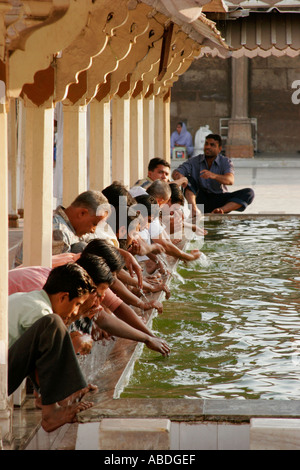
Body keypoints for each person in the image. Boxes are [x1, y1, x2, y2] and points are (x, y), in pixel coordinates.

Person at [8, 263, 97, 432]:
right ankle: (51, 414)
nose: (75, 312)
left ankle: (59, 400)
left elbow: (38, 359)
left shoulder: (28, 299)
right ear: (63, 297)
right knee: (54, 323)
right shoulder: (40, 311)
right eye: (77, 304)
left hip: (5, 365)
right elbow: (45, 357)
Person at [172, 133, 255, 216]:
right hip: (200, 201)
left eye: (212, 145)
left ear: (219, 149)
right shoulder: (194, 161)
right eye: (206, 144)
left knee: (249, 193)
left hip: (219, 199)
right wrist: (180, 177)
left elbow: (230, 180)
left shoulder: (225, 162)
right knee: (188, 179)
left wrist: (214, 176)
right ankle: (194, 210)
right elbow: (176, 172)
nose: (208, 147)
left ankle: (220, 211)